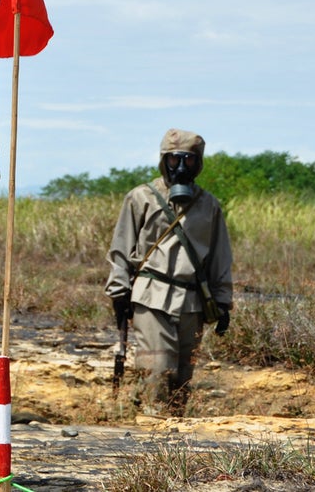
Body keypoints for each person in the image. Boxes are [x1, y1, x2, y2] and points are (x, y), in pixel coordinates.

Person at [105, 128, 233, 415]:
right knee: (157, 369)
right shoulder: (141, 198)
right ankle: (151, 427)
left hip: (192, 300)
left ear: (198, 163)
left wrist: (222, 302)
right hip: (151, 296)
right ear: (164, 160)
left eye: (188, 160)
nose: (181, 167)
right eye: (174, 160)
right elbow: (121, 248)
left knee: (182, 377)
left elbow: (220, 257)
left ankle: (172, 438)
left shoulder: (209, 205)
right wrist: (119, 291)